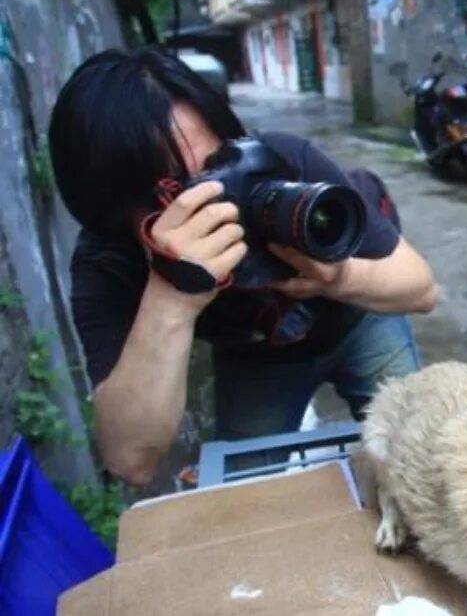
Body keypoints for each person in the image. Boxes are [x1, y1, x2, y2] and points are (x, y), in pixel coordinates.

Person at [49, 48, 438, 486]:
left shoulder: (279, 162)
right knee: (246, 489)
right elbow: (130, 460)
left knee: (417, 459)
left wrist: (339, 276)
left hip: (357, 321)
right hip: (256, 360)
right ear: (116, 215)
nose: (220, 199)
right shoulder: (110, 260)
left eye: (220, 165)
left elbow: (421, 289)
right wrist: (173, 293)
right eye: (183, 192)